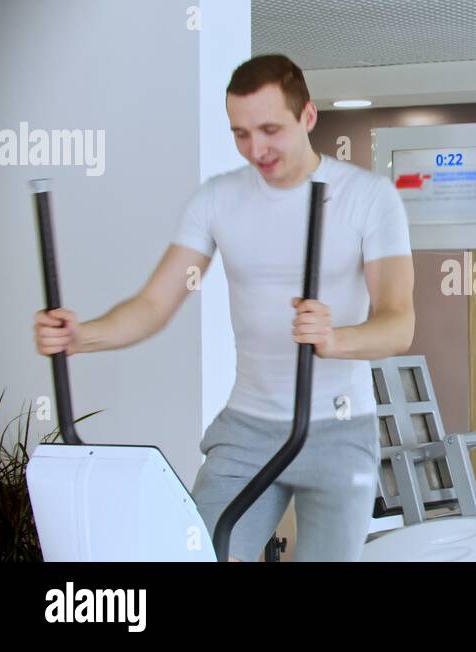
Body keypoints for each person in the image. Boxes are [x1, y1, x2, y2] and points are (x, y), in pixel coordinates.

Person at [32, 54, 415, 562]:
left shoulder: (369, 198)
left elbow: (398, 324)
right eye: (240, 133)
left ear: (308, 117)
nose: (256, 149)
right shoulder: (218, 200)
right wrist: (83, 336)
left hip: (340, 433)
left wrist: (335, 339)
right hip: (248, 431)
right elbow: (154, 304)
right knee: (198, 554)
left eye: (270, 129)